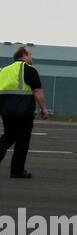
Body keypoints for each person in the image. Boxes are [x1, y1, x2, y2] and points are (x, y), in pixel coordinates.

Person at [0, 45, 49, 179]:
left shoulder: (3, 70)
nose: (32, 57)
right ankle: (17, 171)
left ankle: (16, 169)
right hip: (23, 111)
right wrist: (44, 109)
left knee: (8, 137)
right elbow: (37, 91)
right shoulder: (29, 70)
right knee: (23, 140)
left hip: (5, 111)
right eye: (30, 55)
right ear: (23, 56)